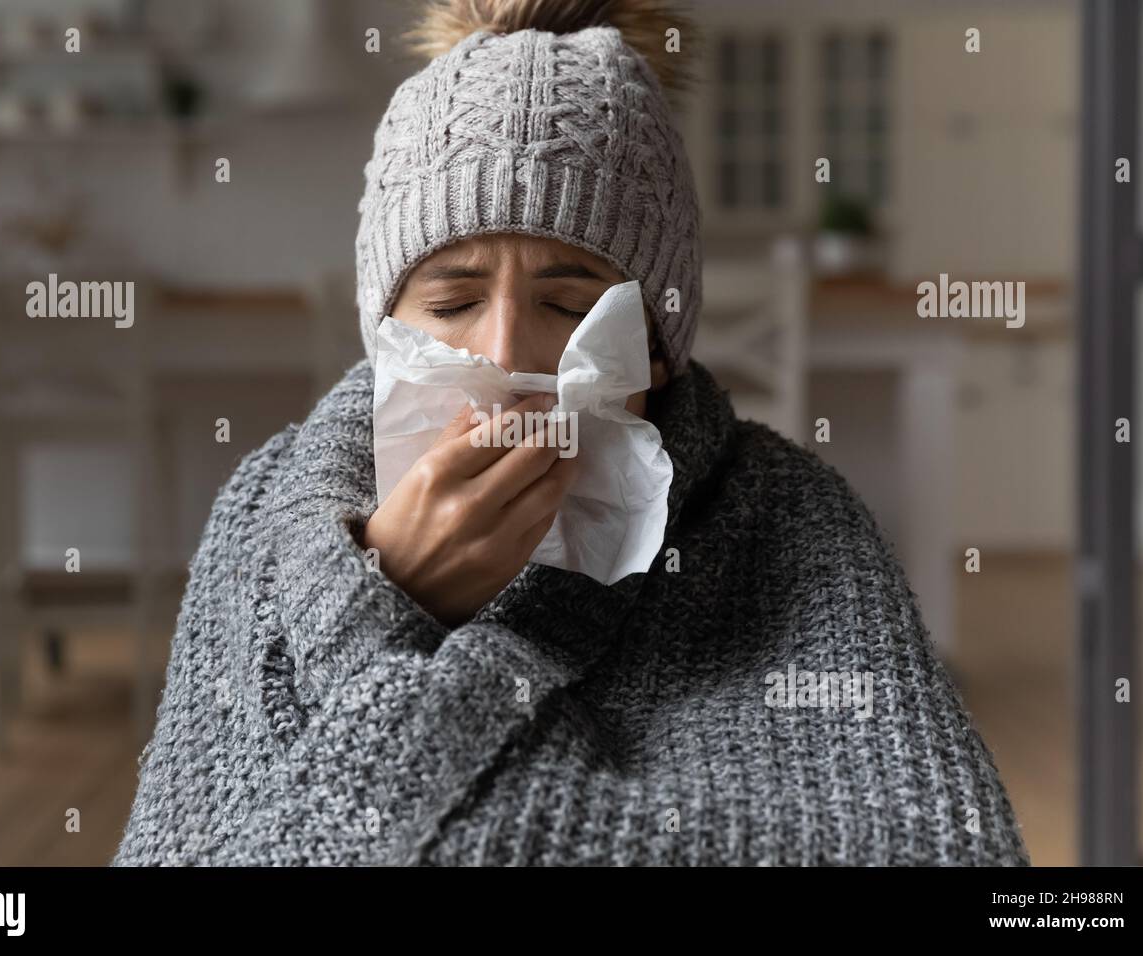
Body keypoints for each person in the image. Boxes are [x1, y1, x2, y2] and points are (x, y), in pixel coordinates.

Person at [112, 0, 1030, 866]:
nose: (507, 351)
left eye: (566, 301)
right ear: (385, 334)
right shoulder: (264, 520)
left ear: (656, 348)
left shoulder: (795, 527)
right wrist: (386, 599)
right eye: (453, 299)